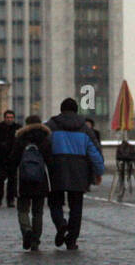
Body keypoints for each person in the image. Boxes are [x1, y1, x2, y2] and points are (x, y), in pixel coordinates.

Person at [44, 98, 104, 250]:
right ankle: (71, 239)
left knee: (55, 202)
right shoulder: (84, 128)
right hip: (79, 171)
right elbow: (94, 152)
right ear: (76, 110)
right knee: (76, 207)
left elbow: (43, 147)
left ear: (61, 109)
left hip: (56, 170)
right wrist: (98, 171)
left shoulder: (51, 126)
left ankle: (61, 224)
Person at [9, 114, 53, 251]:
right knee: (38, 212)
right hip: (40, 180)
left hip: (23, 180)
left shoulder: (20, 138)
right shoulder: (45, 139)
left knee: (22, 210)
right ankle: (35, 240)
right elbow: (50, 160)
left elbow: (13, 159)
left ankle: (26, 230)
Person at [0, 109, 19, 208]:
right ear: (4, 118)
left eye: (11, 118)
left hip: (13, 158)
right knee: (0, 180)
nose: (9, 119)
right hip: (1, 158)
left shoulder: (17, 128)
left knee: (12, 180)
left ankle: (10, 199)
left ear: (13, 118)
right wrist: (1, 145)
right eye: (7, 117)